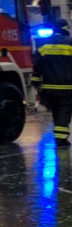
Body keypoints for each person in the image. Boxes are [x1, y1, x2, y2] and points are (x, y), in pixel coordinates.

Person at [32, 19, 72, 148]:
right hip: (67, 86)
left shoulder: (43, 45)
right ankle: (61, 139)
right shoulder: (70, 43)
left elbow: (37, 65)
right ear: (65, 29)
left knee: (56, 111)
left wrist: (36, 82)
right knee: (64, 111)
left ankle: (59, 136)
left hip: (49, 88)